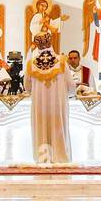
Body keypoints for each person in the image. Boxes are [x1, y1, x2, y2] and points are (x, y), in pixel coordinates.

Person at [27, 31, 74, 165]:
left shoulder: (31, 63)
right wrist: (71, 94)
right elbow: (71, 85)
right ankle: (60, 157)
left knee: (41, 128)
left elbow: (27, 86)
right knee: (58, 128)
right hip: (57, 105)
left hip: (39, 105)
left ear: (37, 45)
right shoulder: (61, 61)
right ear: (51, 42)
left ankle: (42, 159)